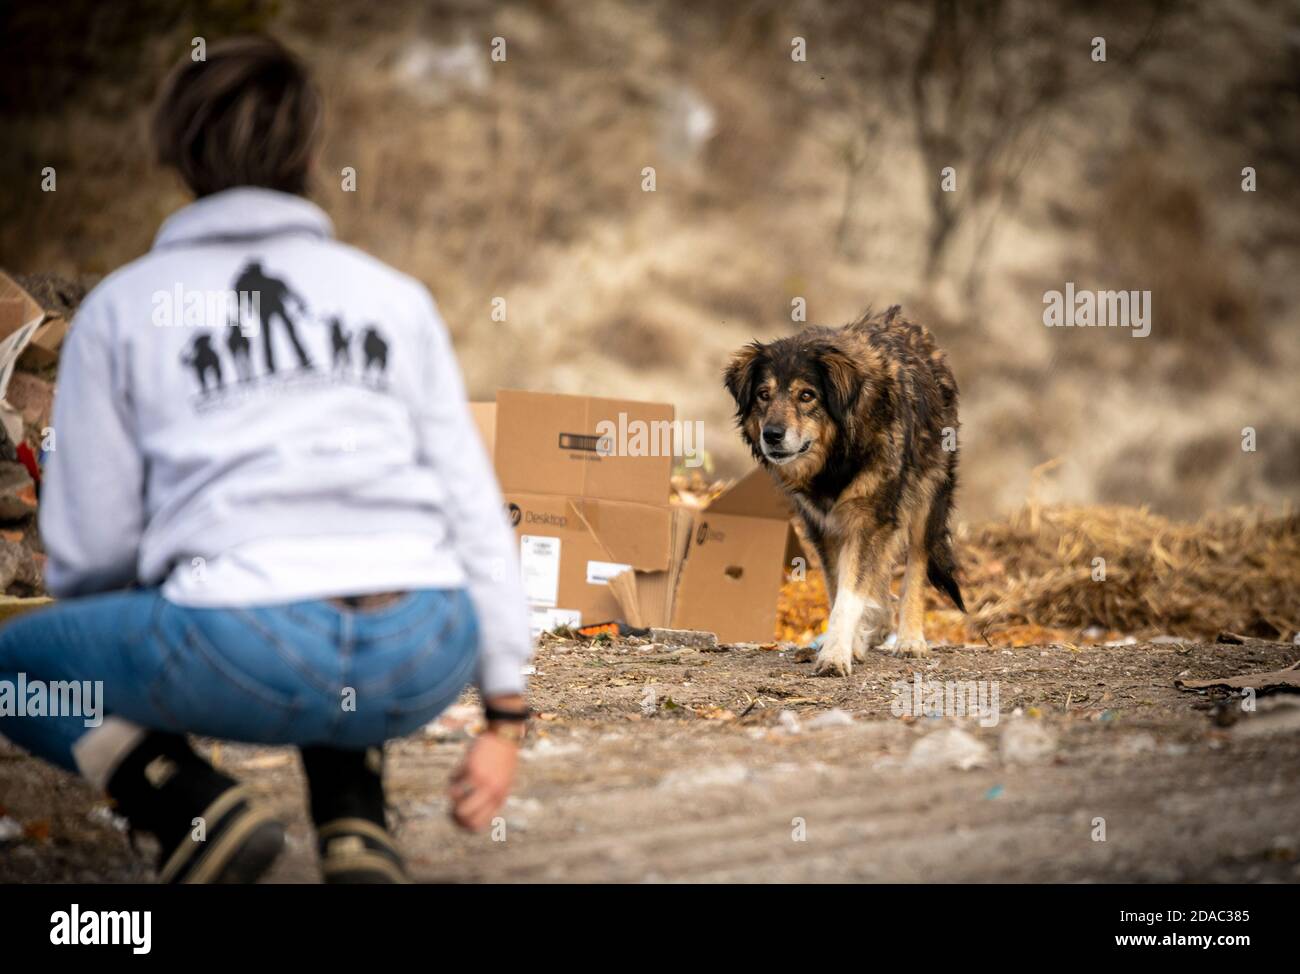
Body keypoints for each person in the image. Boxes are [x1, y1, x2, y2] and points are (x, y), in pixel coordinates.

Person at [0, 36, 533, 884]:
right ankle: (355, 823)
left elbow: (90, 555)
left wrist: (172, 603)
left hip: (243, 649)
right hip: (425, 647)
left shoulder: (124, 308)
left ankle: (189, 806)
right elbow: (475, 511)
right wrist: (505, 720)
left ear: (173, 152)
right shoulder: (393, 297)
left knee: (14, 667)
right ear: (313, 154)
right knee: (339, 580)